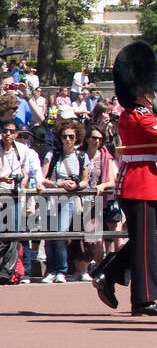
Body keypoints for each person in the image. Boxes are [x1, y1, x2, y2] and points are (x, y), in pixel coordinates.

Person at [93, 41, 157, 317]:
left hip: (142, 181)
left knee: (143, 240)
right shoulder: (139, 117)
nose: (153, 94)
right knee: (146, 242)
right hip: (139, 183)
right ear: (141, 90)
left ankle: (108, 272)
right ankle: (143, 299)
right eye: (150, 90)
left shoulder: (138, 114)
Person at [42, 118, 89, 283]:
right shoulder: (52, 154)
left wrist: (75, 185)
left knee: (60, 234)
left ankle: (61, 270)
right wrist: (58, 183)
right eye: (64, 136)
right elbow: (42, 178)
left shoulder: (82, 156)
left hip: (69, 199)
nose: (67, 140)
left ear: (76, 137)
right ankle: (51, 270)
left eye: (71, 136)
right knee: (49, 236)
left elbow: (85, 180)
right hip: (50, 199)